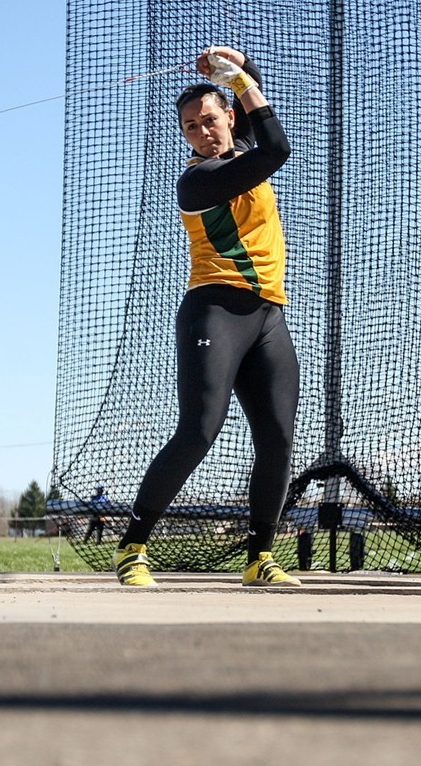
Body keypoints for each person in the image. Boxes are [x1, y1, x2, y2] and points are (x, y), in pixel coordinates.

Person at [112, 45, 301, 588]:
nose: (203, 131)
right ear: (186, 137)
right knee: (199, 429)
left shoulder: (240, 145)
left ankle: (259, 558)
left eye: (211, 120)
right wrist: (237, 79)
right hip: (214, 311)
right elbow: (277, 146)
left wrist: (236, 66)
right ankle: (133, 548)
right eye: (191, 127)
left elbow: (254, 104)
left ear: (229, 118)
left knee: (277, 439)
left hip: (268, 316)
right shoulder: (199, 180)